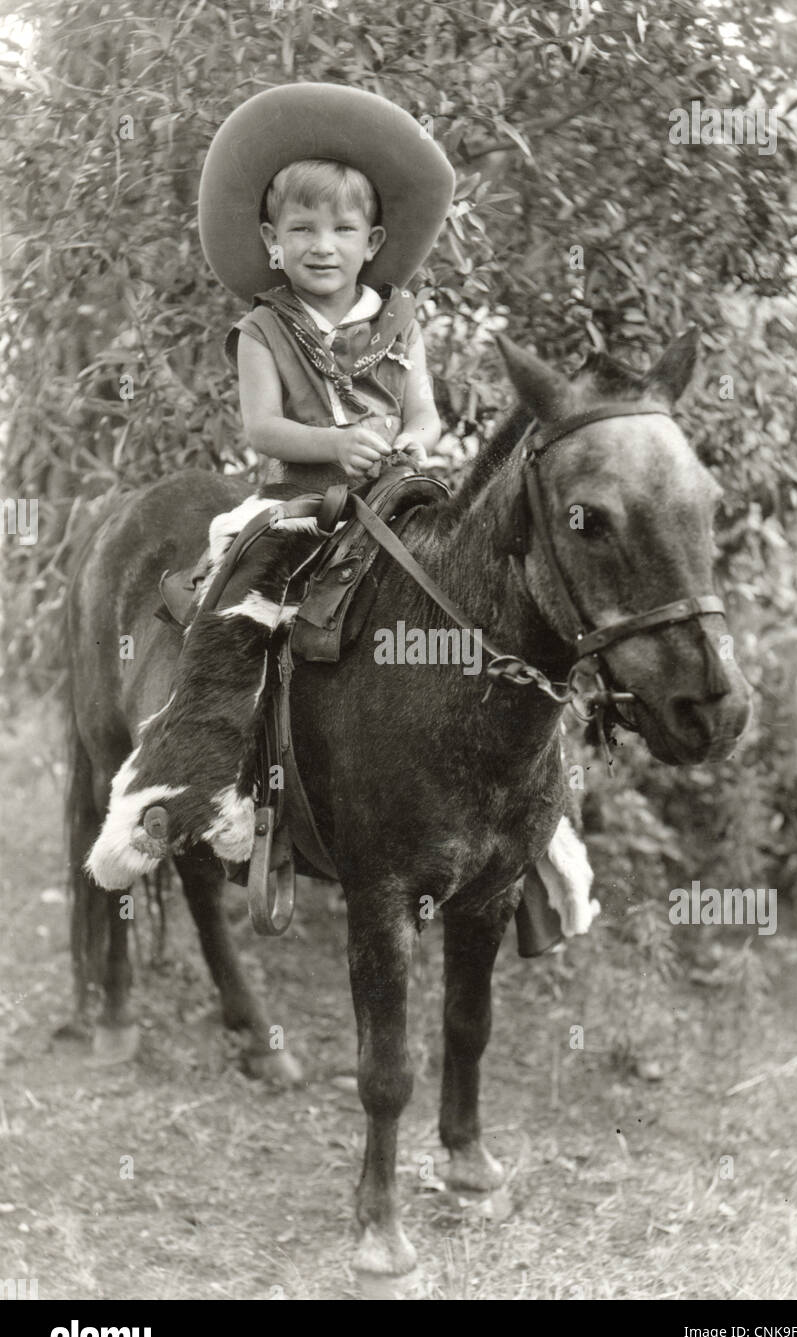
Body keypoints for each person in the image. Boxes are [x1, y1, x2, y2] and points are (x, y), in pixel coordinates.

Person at [87, 84, 599, 948]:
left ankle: (538, 834)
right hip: (296, 501)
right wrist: (334, 443)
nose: (322, 247)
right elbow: (259, 428)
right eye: (301, 231)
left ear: (373, 243)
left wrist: (408, 443)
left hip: (397, 495)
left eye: (341, 232)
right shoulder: (264, 329)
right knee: (236, 620)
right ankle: (206, 783)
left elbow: (427, 415)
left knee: (503, 609)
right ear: (272, 245)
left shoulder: (402, 320)